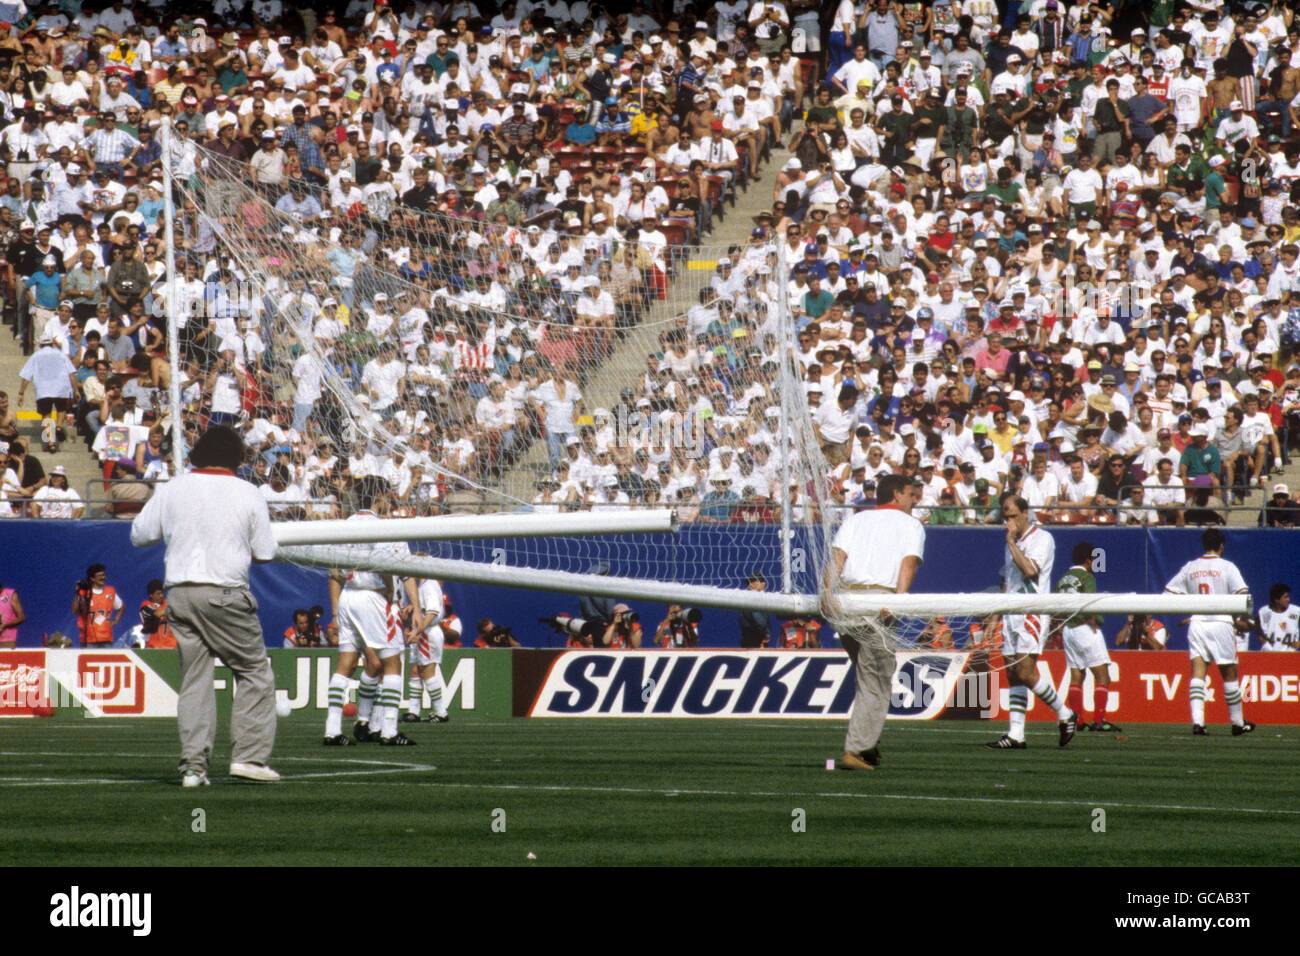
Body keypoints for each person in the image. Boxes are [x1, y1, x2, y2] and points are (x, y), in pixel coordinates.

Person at [130, 425, 280, 786]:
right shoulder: (248, 492)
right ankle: (249, 757)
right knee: (254, 672)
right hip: (225, 591)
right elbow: (265, 552)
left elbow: (140, 534)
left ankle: (194, 767)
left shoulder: (173, 488)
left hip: (179, 592)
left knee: (195, 680)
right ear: (237, 458)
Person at [824, 473, 925, 771]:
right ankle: (855, 749)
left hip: (845, 603)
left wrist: (828, 593)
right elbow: (908, 564)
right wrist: (898, 599)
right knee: (876, 680)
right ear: (896, 495)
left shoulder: (855, 520)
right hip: (878, 603)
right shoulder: (911, 525)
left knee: (868, 676)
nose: (914, 500)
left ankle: (867, 743)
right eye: (911, 495)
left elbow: (837, 559)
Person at [322, 480, 421, 747]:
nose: (390, 498)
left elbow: (333, 571)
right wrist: (390, 592)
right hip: (373, 597)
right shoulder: (382, 526)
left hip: (348, 596)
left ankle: (332, 729)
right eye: (387, 493)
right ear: (378, 495)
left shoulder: (345, 525)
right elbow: (387, 565)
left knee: (346, 665)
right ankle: (388, 730)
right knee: (392, 663)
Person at [987, 495, 1077, 750]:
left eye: (1013, 515)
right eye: (1006, 516)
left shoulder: (1042, 538)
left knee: (1026, 672)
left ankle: (1064, 712)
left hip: (1032, 611)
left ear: (1025, 513)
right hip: (1011, 611)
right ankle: (1016, 734)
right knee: (1013, 674)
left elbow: (1029, 571)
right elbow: (1008, 582)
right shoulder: (1012, 543)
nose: (1009, 521)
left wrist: (1010, 541)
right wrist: (996, 615)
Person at [1163, 527, 1255, 736]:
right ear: (1221, 545)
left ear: (1204, 545)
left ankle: (1198, 722)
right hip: (1221, 621)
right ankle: (1237, 722)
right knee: (1229, 673)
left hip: (1197, 622)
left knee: (1198, 671)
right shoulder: (1227, 567)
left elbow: (1168, 592)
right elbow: (1242, 594)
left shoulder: (1191, 567)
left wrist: (1191, 608)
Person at [1055, 542, 1119, 733]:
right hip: (1085, 628)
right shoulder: (1086, 577)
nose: (1093, 563)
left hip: (1068, 630)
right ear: (1087, 560)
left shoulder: (1063, 579)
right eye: (1092, 559)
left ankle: (1078, 720)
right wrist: (1098, 620)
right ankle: (1099, 720)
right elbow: (1090, 603)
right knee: (1103, 676)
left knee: (1077, 675)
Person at [401, 577, 452, 723]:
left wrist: (418, 631)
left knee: (427, 672)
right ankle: (413, 711)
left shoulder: (430, 584)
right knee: (415, 670)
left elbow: (433, 612)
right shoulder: (423, 585)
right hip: (422, 632)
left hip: (428, 633)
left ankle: (441, 712)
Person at [71, 563, 123, 647]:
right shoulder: (83, 593)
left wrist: (116, 620)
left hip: (106, 638)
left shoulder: (110, 591)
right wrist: (77, 593)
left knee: (107, 660)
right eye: (99, 576)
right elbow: (74, 611)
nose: (103, 578)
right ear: (92, 578)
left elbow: (121, 607)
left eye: (104, 575)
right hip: (88, 639)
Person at [1258, 583, 1299, 652]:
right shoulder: (1264, 611)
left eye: (1288, 596)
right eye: (1285, 597)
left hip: (1290, 655)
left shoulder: (1296, 611)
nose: (1288, 599)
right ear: (1276, 599)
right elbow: (1256, 627)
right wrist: (1263, 642)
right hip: (1269, 654)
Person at [138, 578, 175, 649]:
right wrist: (174, 609)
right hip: (154, 646)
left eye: (162, 593)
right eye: (158, 593)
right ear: (151, 595)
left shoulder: (168, 603)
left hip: (171, 645)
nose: (161, 596)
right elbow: (158, 614)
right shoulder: (145, 606)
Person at [738, 571, 771, 648]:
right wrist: (765, 632)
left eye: (753, 582)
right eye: (749, 583)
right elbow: (760, 622)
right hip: (755, 638)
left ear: (763, 584)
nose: (750, 585)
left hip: (753, 639)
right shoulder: (752, 599)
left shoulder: (756, 598)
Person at [0, 580, 25, 648]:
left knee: (5, 658)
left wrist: (4, 626)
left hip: (6, 641)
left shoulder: (10, 594)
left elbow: (22, 618)